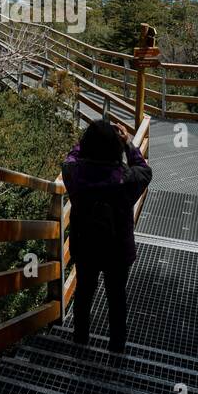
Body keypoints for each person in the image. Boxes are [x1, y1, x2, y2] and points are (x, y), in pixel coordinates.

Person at [61, 117, 152, 354]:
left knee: (83, 293)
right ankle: (117, 349)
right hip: (117, 251)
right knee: (116, 299)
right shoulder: (126, 179)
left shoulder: (75, 174)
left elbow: (69, 159)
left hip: (86, 246)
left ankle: (80, 341)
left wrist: (83, 143)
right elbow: (144, 170)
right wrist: (128, 145)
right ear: (115, 147)